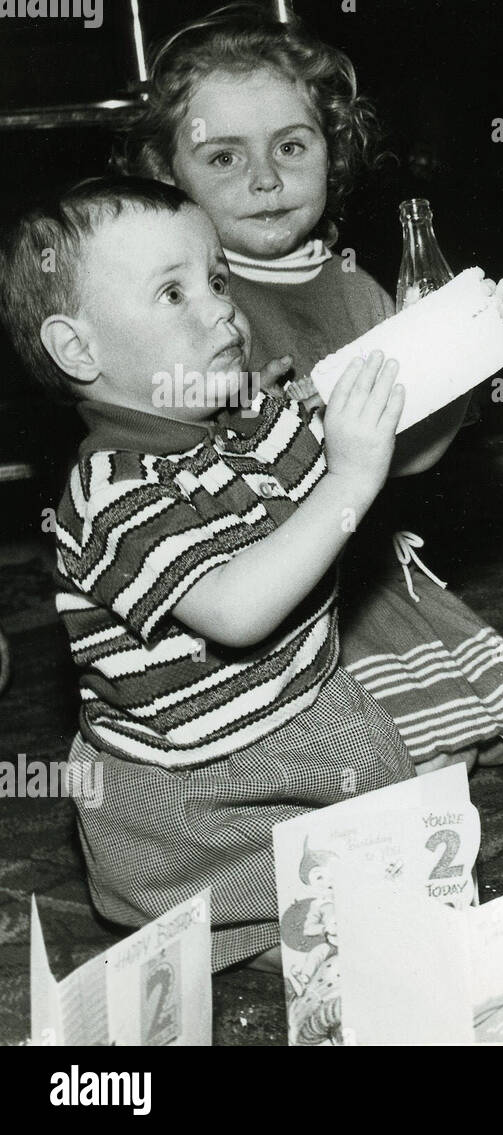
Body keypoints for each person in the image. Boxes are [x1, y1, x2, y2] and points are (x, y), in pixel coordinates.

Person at [0, 175, 418, 968]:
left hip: (306, 717)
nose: (222, 308)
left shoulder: (241, 422)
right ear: (78, 349)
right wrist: (350, 482)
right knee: (319, 947)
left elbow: (360, 420)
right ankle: (255, 930)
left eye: (218, 279)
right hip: (201, 797)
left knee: (400, 879)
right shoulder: (109, 492)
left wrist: (452, 333)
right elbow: (235, 611)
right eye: (174, 293)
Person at [117, 3, 503, 771]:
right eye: (222, 158)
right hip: (253, 582)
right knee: (343, 748)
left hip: (362, 569)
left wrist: (455, 366)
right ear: (164, 175)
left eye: (292, 145)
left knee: (450, 739)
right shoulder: (192, 310)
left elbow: (405, 457)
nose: (265, 178)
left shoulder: (356, 289)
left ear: (333, 154)